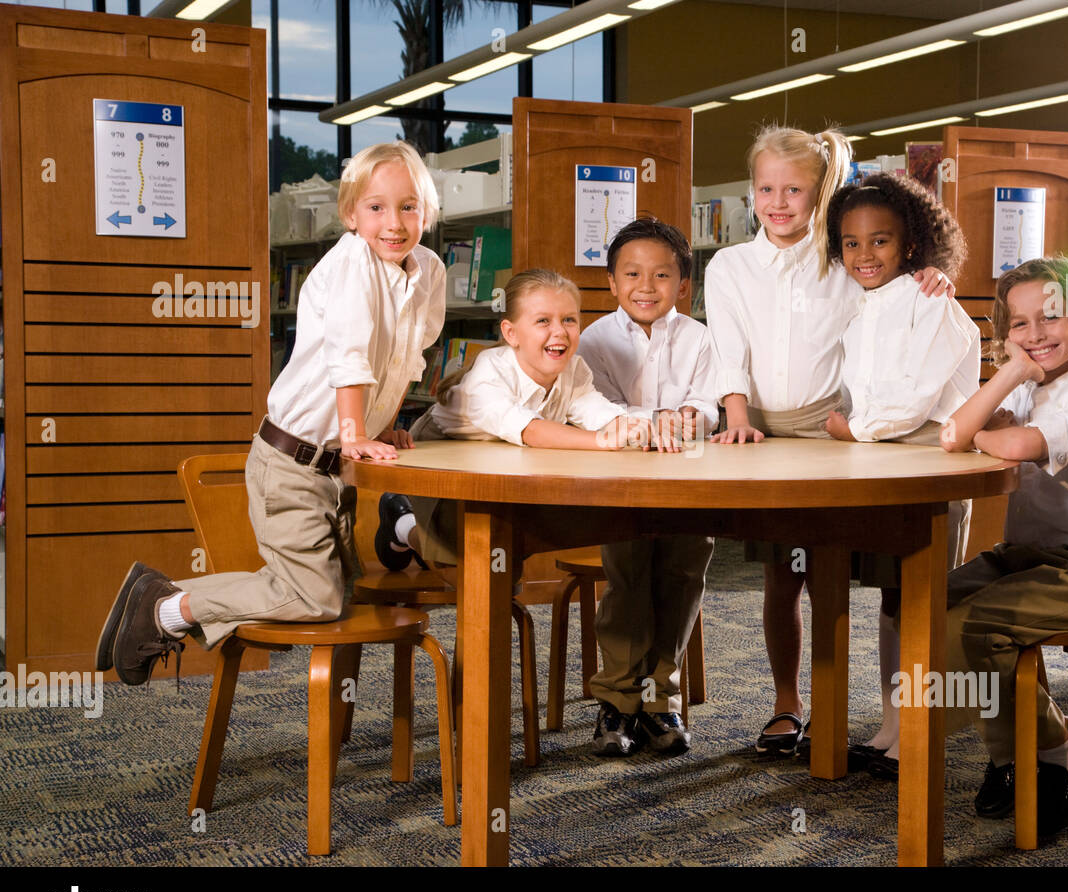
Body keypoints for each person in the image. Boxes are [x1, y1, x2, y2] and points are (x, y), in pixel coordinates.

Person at [97, 140, 446, 685]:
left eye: (409, 207)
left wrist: (380, 429)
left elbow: (406, 361)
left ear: (427, 212)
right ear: (351, 214)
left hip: (334, 469)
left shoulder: (426, 270)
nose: (394, 222)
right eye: (376, 207)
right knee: (316, 597)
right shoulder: (353, 262)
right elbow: (349, 357)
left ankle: (161, 601)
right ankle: (166, 607)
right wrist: (355, 432)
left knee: (330, 594)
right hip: (290, 463)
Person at [704, 123, 954, 754]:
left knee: (832, 572)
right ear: (750, 192)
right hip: (759, 431)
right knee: (780, 575)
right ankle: (787, 703)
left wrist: (934, 276)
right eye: (766, 188)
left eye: (795, 191)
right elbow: (729, 349)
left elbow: (891, 294)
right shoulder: (730, 265)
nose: (778, 202)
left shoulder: (841, 260)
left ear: (821, 196)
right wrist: (736, 415)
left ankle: (843, 708)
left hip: (836, 432)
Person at [940, 255, 1068, 837]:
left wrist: (979, 432)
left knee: (975, 628)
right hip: (1029, 558)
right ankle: (1017, 752)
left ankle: (1061, 743)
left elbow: (1014, 443)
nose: (1036, 335)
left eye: (1050, 318)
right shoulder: (1030, 388)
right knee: (923, 599)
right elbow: (957, 436)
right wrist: (1007, 374)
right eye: (1018, 325)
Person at [822, 174, 978, 779]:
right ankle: (893, 721)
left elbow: (913, 404)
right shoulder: (864, 310)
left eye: (880, 241)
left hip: (929, 461)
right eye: (852, 243)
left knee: (922, 600)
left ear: (910, 242)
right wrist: (859, 432)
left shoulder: (931, 299)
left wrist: (851, 432)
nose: (865, 255)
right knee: (893, 598)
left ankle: (918, 725)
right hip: (886, 461)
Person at [375, 269, 660, 572]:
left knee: (502, 555)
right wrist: (601, 441)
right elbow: (531, 430)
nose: (560, 331)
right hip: (443, 453)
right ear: (511, 333)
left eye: (569, 320)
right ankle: (401, 522)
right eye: (543, 321)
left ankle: (490, 561)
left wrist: (632, 427)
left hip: (504, 454)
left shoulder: (574, 369)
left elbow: (596, 411)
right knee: (460, 559)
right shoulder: (490, 371)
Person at [577, 217, 717, 756]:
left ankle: (661, 698)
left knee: (683, 575)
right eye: (631, 274)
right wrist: (652, 420)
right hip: (624, 478)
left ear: (683, 284)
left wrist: (688, 414)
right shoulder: (594, 338)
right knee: (628, 577)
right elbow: (598, 408)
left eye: (662, 276)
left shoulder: (700, 338)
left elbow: (708, 401)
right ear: (611, 282)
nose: (646, 286)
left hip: (689, 475)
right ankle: (616, 700)